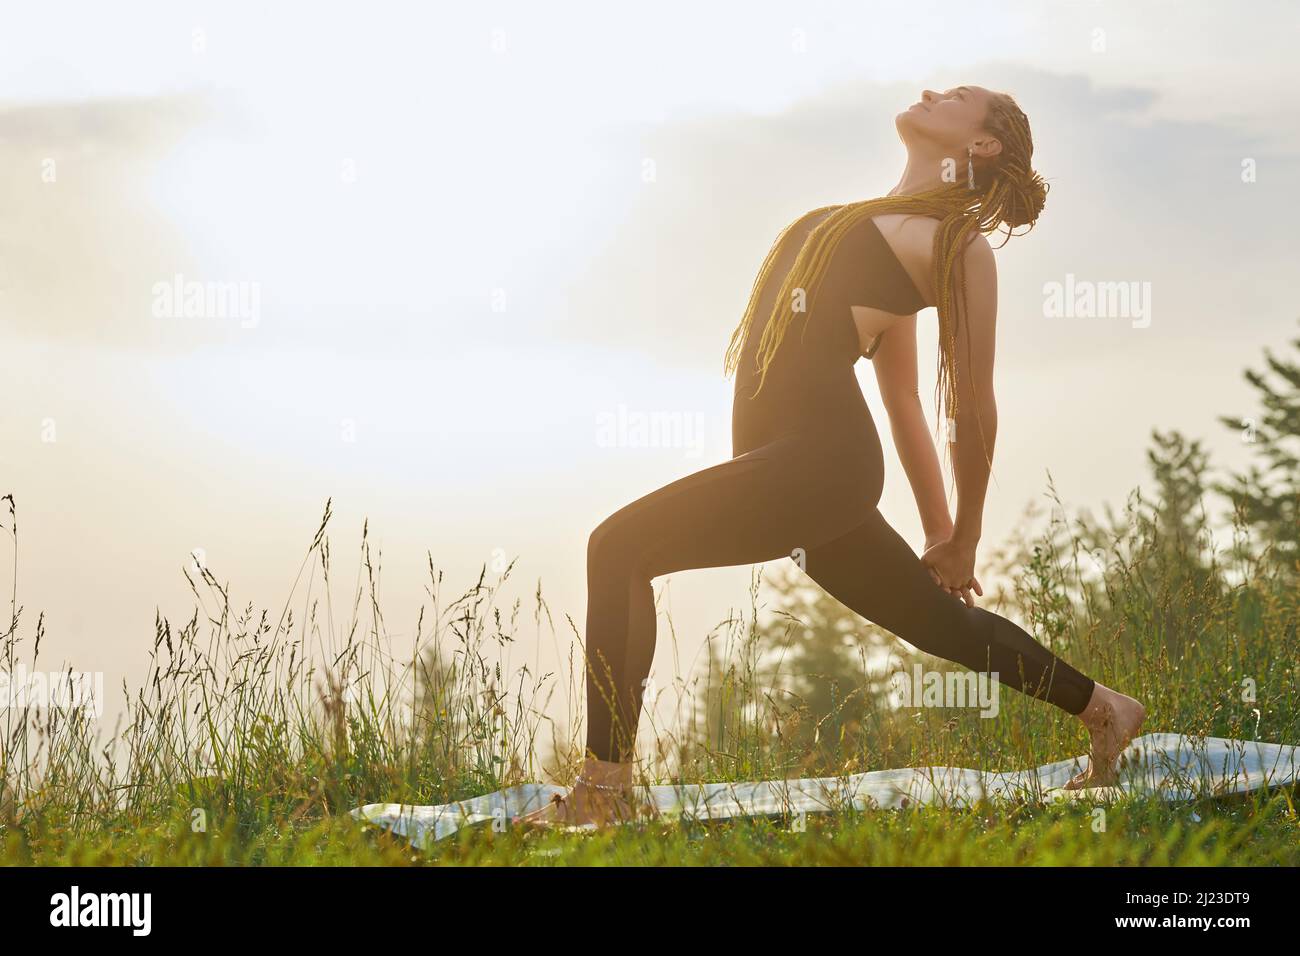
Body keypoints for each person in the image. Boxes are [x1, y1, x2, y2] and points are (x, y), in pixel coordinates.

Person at [518, 85, 1146, 830]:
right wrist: (936, 532)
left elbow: (967, 405)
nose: (929, 93)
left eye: (955, 97)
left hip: (820, 465)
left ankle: (605, 791)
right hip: (797, 471)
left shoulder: (956, 245)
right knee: (941, 626)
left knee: (617, 548)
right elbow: (902, 396)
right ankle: (1105, 709)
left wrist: (962, 535)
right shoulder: (849, 222)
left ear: (981, 147)